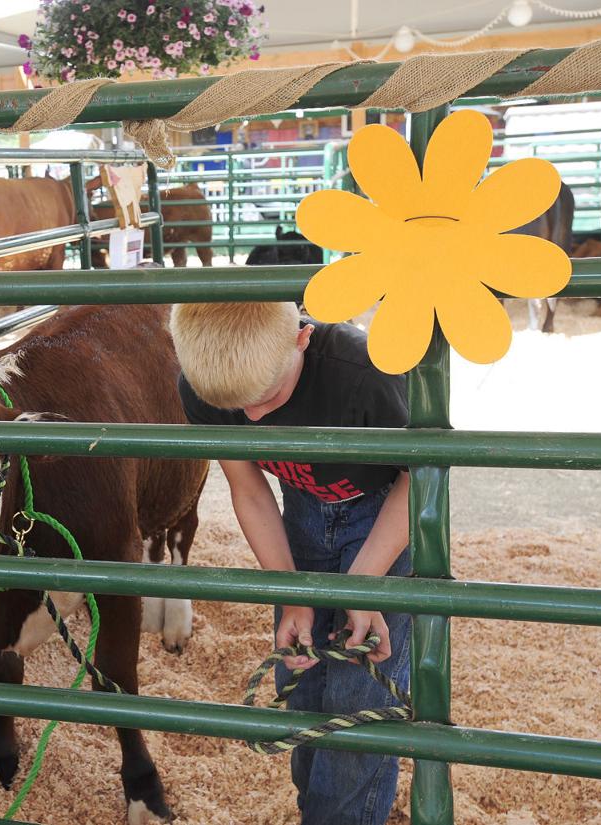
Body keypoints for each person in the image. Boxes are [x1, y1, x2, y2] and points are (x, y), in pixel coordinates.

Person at [170, 300, 411, 825]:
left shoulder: (366, 370)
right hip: (297, 513)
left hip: (384, 515)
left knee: (358, 695)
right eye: (239, 410)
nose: (255, 418)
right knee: (301, 679)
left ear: (302, 338)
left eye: (268, 397)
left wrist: (365, 585)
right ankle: (317, 807)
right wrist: (292, 593)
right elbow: (248, 487)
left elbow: (424, 479)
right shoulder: (207, 381)